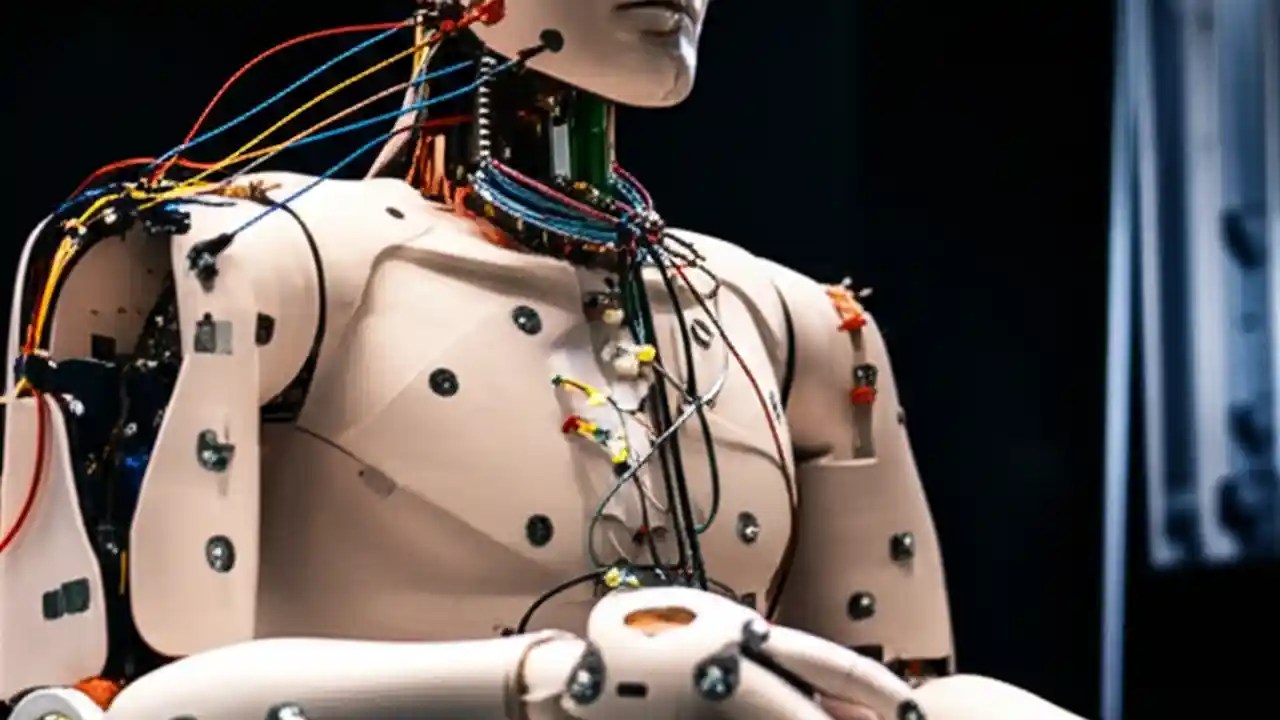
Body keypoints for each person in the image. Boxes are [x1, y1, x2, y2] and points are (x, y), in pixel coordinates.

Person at [0, 2, 1083, 717]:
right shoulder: (258, 260)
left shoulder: (793, 323)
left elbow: (886, 691)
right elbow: (99, 707)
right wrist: (551, 686)